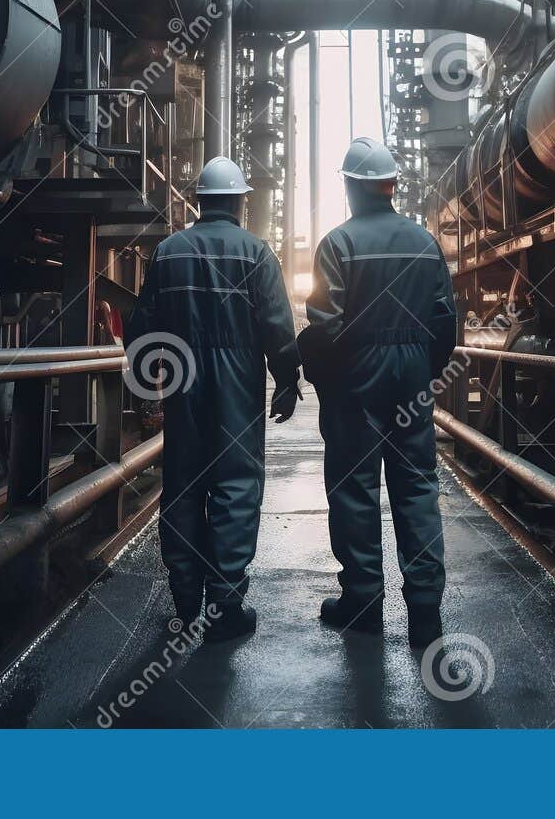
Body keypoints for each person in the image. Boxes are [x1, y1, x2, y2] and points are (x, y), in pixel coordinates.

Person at [124, 156, 301, 643]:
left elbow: (143, 327)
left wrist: (148, 388)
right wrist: (285, 380)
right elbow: (277, 328)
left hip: (183, 382)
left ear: (199, 201)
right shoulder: (257, 253)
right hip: (238, 385)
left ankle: (184, 603)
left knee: (183, 488)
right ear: (241, 201)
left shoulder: (169, 251)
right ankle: (225, 606)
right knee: (235, 488)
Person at [298, 137, 458, 647]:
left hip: (355, 375)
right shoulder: (423, 241)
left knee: (353, 488)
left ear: (350, 186)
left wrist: (325, 379)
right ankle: (426, 613)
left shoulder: (337, 244)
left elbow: (324, 326)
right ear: (392, 185)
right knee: (416, 488)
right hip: (412, 370)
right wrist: (421, 370)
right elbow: (445, 321)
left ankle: (363, 602)